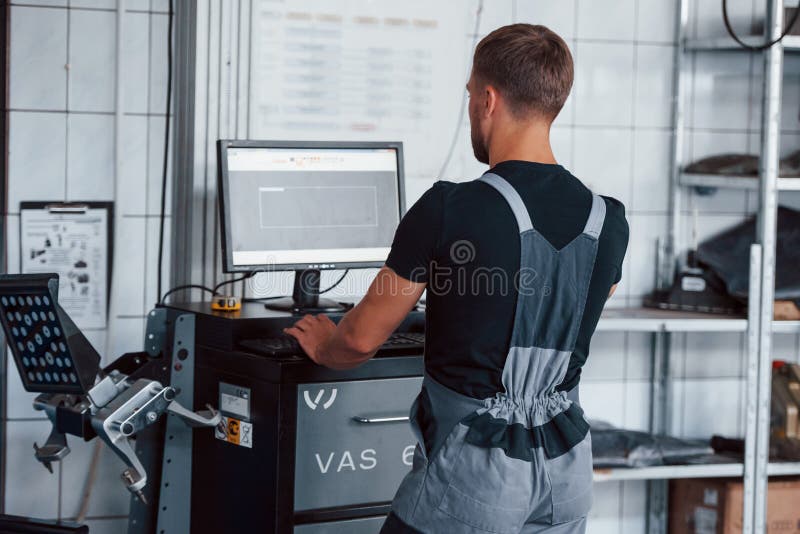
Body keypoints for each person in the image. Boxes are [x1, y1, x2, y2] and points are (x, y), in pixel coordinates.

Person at [285, 23, 629, 534]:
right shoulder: (609, 220)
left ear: (487, 99)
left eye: (470, 94)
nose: (470, 105)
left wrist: (323, 344)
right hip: (566, 472)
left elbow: (359, 341)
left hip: (477, 476)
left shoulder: (450, 207)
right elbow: (565, 314)